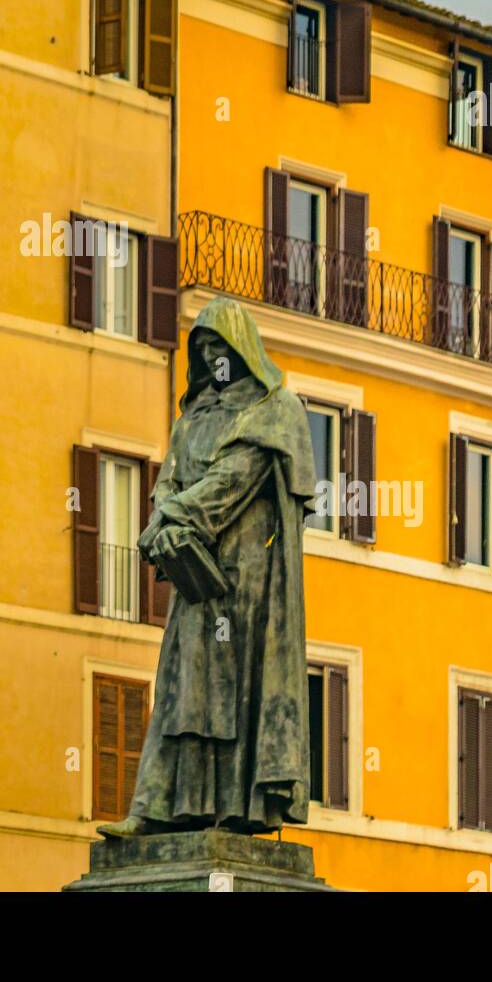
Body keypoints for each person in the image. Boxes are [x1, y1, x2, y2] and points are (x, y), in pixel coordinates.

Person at [99, 294, 318, 837]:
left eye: (220, 344)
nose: (213, 355)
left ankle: (237, 810)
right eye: (204, 347)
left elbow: (234, 480)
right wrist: (162, 523)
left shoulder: (275, 411)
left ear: (243, 348)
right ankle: (158, 808)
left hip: (248, 578)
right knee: (182, 690)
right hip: (196, 575)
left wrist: (172, 516)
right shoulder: (191, 420)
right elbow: (168, 480)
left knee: (237, 693)